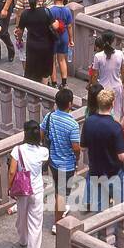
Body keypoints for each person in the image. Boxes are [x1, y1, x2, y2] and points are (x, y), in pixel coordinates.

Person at [8, 120, 50, 248]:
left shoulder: (17, 150)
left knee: (21, 216)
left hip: (21, 189)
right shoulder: (44, 152)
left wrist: (10, 187)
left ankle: (23, 239)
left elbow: (12, 171)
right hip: (37, 189)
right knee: (35, 223)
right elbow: (43, 164)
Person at [80, 87, 124, 212]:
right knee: (120, 206)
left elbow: (83, 147)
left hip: (96, 170)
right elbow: (123, 156)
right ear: (112, 104)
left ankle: (102, 231)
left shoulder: (88, 122)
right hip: (113, 172)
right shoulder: (115, 127)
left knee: (100, 208)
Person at [41, 86, 81, 232]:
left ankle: (61, 209)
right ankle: (57, 223)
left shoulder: (49, 116)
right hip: (67, 163)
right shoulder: (72, 125)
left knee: (60, 188)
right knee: (62, 193)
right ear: (70, 104)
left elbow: (41, 132)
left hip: (53, 161)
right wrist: (77, 158)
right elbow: (76, 147)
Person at [14, 0, 55, 84]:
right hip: (46, 43)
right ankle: (44, 89)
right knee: (45, 70)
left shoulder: (25, 14)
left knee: (32, 68)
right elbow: (54, 26)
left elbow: (20, 31)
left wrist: (18, 39)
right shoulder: (46, 12)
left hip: (32, 44)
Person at [89, 31, 124, 121]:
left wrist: (94, 88)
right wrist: (123, 82)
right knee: (117, 113)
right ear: (113, 40)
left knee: (103, 112)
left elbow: (94, 75)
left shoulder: (98, 56)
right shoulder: (120, 54)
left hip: (103, 87)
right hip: (117, 86)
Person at [50, 0, 73, 86]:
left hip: (53, 37)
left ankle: (54, 83)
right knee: (62, 59)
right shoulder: (67, 11)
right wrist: (71, 39)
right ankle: (64, 83)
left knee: (52, 60)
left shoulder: (51, 10)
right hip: (64, 36)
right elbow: (69, 26)